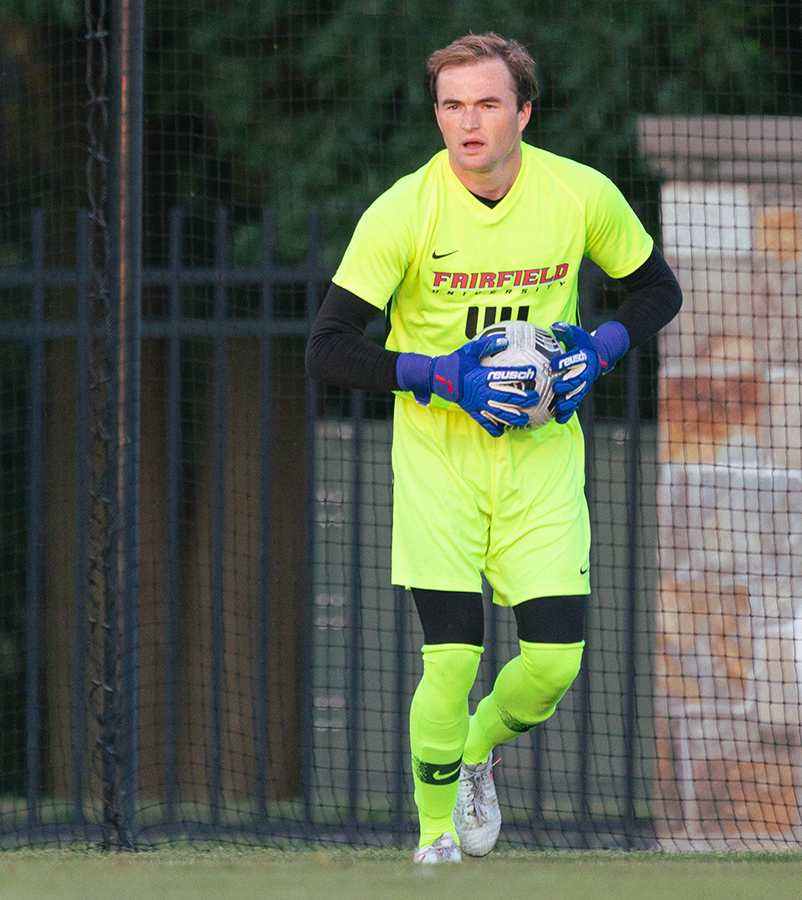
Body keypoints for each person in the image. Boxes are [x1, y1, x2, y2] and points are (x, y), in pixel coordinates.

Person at [305, 31, 681, 864]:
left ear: (524, 113)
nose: (468, 123)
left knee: (553, 666)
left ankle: (476, 752)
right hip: (439, 463)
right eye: (451, 106)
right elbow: (326, 348)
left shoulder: (579, 193)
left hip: (542, 462)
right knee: (451, 658)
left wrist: (599, 349)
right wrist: (438, 375)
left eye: (486, 104)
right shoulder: (403, 211)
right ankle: (434, 836)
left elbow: (658, 289)